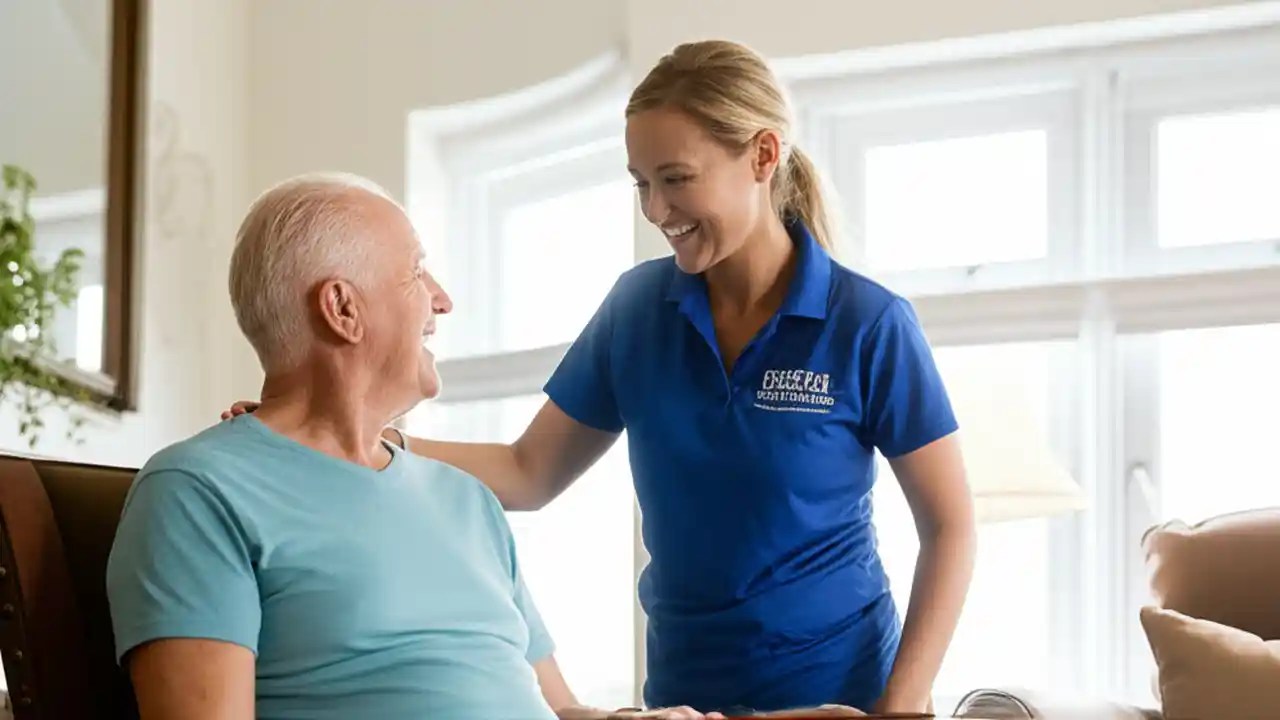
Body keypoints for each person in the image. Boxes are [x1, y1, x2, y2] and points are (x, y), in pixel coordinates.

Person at [227, 39, 977, 716]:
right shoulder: (638, 310)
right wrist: (336, 438)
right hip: (686, 698)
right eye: (640, 183)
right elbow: (527, 473)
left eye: (676, 179)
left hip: (839, 695)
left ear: (762, 155)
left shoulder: (868, 323)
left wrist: (901, 707)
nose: (657, 209)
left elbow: (949, 527)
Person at [107, 173, 726, 720]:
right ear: (342, 309)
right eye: (415, 271)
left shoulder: (465, 498)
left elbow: (559, 707)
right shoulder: (198, 492)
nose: (442, 299)